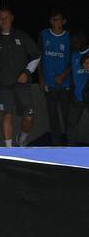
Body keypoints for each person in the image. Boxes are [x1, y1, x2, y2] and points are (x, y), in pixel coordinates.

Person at [0, 7, 40, 147]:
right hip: (4, 85)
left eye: (6, 17)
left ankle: (22, 138)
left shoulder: (22, 36)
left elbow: (36, 55)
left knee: (29, 117)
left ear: (12, 18)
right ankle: (8, 148)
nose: (3, 20)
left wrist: (27, 72)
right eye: (0, 18)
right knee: (7, 114)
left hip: (23, 86)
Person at [39, 10, 71, 146]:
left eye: (58, 19)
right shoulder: (44, 35)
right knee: (53, 115)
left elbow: (73, 59)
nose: (55, 22)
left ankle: (71, 144)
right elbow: (38, 57)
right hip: (49, 83)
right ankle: (56, 144)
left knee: (67, 116)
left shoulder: (69, 37)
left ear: (63, 21)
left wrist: (63, 75)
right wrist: (40, 78)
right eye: (53, 19)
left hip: (65, 83)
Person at [67, 33, 89, 145]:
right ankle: (71, 152)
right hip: (77, 96)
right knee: (71, 124)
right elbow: (73, 74)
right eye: (72, 41)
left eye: (76, 41)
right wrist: (72, 92)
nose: (73, 44)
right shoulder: (74, 54)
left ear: (83, 41)